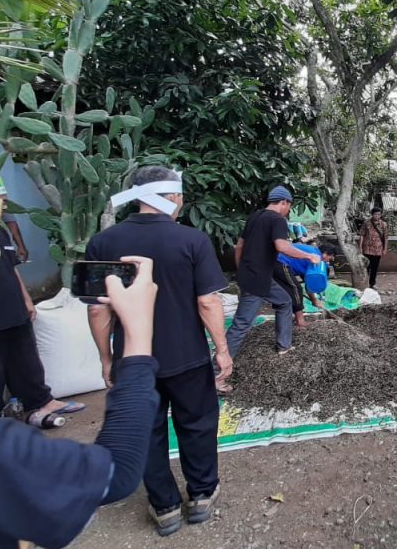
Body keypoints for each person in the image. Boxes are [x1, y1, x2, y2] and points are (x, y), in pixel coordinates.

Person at [0, 171, 162, 549]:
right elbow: (116, 474)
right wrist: (138, 337)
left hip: (10, 318)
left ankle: (36, 404)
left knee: (25, 365)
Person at [86, 166, 233, 536]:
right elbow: (208, 303)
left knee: (146, 430)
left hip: (134, 362)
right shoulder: (192, 240)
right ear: (170, 197)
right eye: (180, 195)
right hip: (187, 358)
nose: (182, 202)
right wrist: (222, 350)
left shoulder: (103, 242)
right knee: (197, 424)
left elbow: (97, 308)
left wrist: (107, 358)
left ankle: (164, 505)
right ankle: (201, 495)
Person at [0, 175, 83, 424]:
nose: (4, 202)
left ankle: (40, 402)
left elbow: (11, 268)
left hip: (12, 311)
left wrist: (26, 300)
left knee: (27, 362)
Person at [227, 186, 320, 362]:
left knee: (284, 302)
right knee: (241, 324)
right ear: (284, 202)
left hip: (257, 276)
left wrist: (242, 271)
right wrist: (309, 256)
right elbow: (282, 246)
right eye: (289, 206)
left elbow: (239, 246)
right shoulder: (277, 220)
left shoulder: (254, 217)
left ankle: (284, 346)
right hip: (256, 280)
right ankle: (217, 372)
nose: (288, 210)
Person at [274, 243, 337, 325]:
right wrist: (314, 300)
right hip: (280, 262)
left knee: (287, 292)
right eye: (332, 256)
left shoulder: (313, 254)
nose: (332, 259)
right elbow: (310, 283)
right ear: (325, 254)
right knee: (296, 289)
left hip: (276, 261)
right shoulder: (315, 258)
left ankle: (287, 319)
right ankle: (300, 321)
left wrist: (314, 300)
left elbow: (308, 283)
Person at [359, 206, 388, 289]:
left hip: (378, 250)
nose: (377, 216)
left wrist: (385, 249)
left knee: (374, 268)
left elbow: (386, 237)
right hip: (367, 249)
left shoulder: (383, 224)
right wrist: (360, 248)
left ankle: (372, 283)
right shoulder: (366, 223)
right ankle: (364, 284)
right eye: (375, 214)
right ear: (372, 214)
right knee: (365, 267)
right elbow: (362, 235)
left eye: (379, 214)